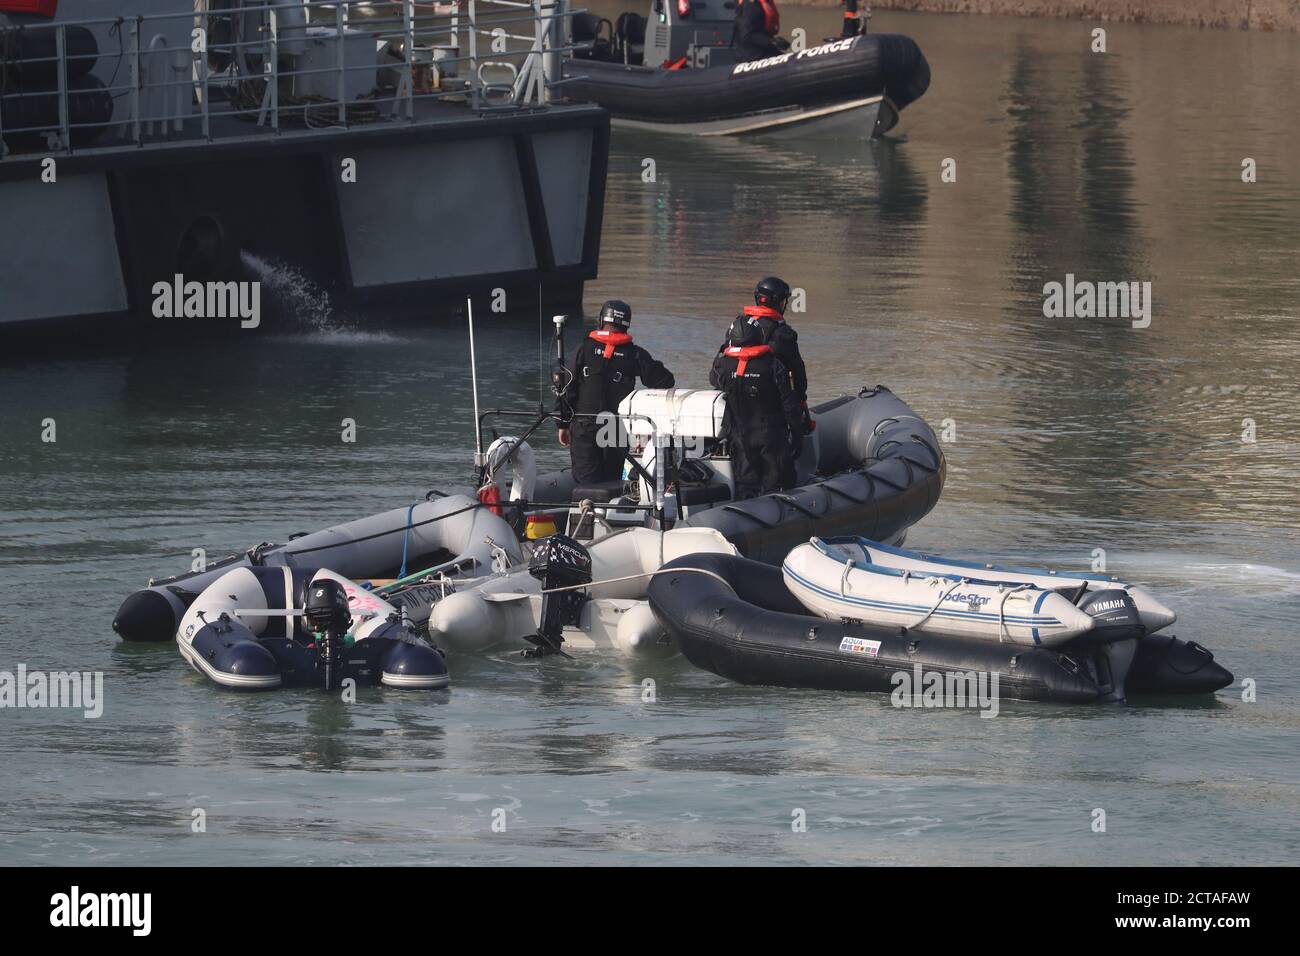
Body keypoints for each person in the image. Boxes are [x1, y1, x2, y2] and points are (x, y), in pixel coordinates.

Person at [556, 299, 675, 485]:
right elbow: (665, 380)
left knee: (585, 482)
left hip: (584, 427)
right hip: (615, 429)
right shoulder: (634, 354)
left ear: (601, 321)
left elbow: (566, 387)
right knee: (611, 482)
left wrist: (562, 424)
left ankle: (587, 509)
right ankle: (610, 511)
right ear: (626, 325)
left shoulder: (583, 349)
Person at [710, 314, 803, 498]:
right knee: (776, 487)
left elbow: (714, 379)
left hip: (740, 438)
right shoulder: (773, 365)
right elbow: (789, 404)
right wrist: (797, 434)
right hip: (771, 437)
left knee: (746, 487)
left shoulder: (723, 366)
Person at [724, 275, 814, 437]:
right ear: (778, 302)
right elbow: (797, 371)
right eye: (784, 301)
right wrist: (800, 400)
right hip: (770, 406)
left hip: (737, 403)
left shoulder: (738, 327)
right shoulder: (784, 334)